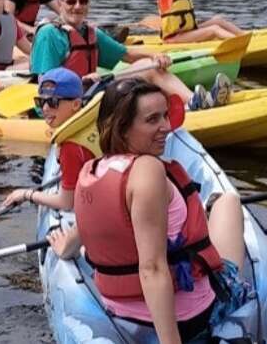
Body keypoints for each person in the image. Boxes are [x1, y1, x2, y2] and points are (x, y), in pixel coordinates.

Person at [48, 79, 252, 344]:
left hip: (120, 312)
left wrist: (65, 248)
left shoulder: (95, 170)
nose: (166, 127)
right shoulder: (148, 171)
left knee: (215, 208)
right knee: (228, 202)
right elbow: (152, 268)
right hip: (187, 318)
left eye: (165, 116)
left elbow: (94, 226)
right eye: (152, 120)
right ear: (122, 128)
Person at [30, 0, 229, 111]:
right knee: (146, 75)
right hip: (62, 104)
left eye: (83, 2)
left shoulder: (90, 32)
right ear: (60, 3)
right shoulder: (50, 34)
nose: (78, 6)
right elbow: (46, 83)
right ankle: (193, 104)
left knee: (150, 69)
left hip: (89, 94)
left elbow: (127, 54)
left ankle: (193, 102)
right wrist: (81, 80)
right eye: (71, 2)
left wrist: (154, 57)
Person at [2, 68, 92, 211]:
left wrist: (27, 194)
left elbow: (66, 203)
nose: (44, 108)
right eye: (41, 101)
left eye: (53, 102)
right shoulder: (90, 125)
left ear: (76, 104)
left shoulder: (70, 147)